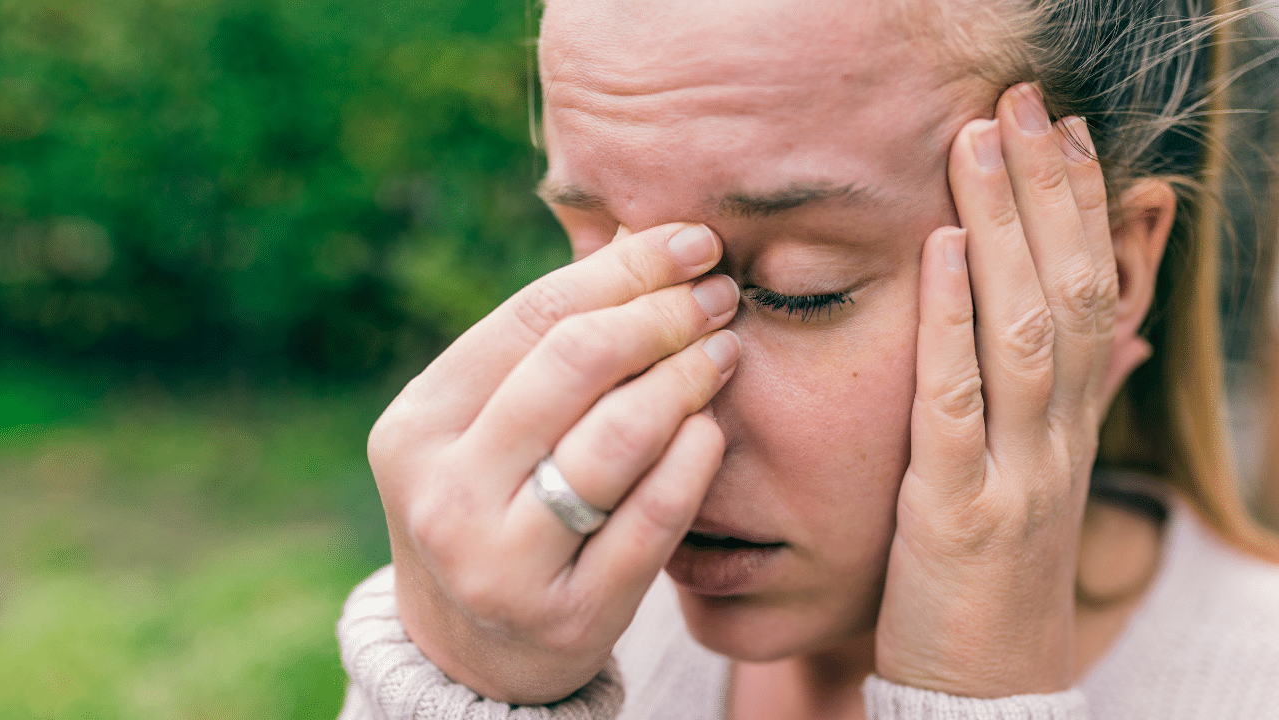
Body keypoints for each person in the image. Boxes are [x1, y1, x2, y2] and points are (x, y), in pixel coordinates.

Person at [336, 0, 1279, 718]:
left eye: (800, 287)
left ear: (1099, 278)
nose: (656, 405)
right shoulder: (518, 625)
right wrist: (457, 681)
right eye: (601, 262)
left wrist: (978, 691)